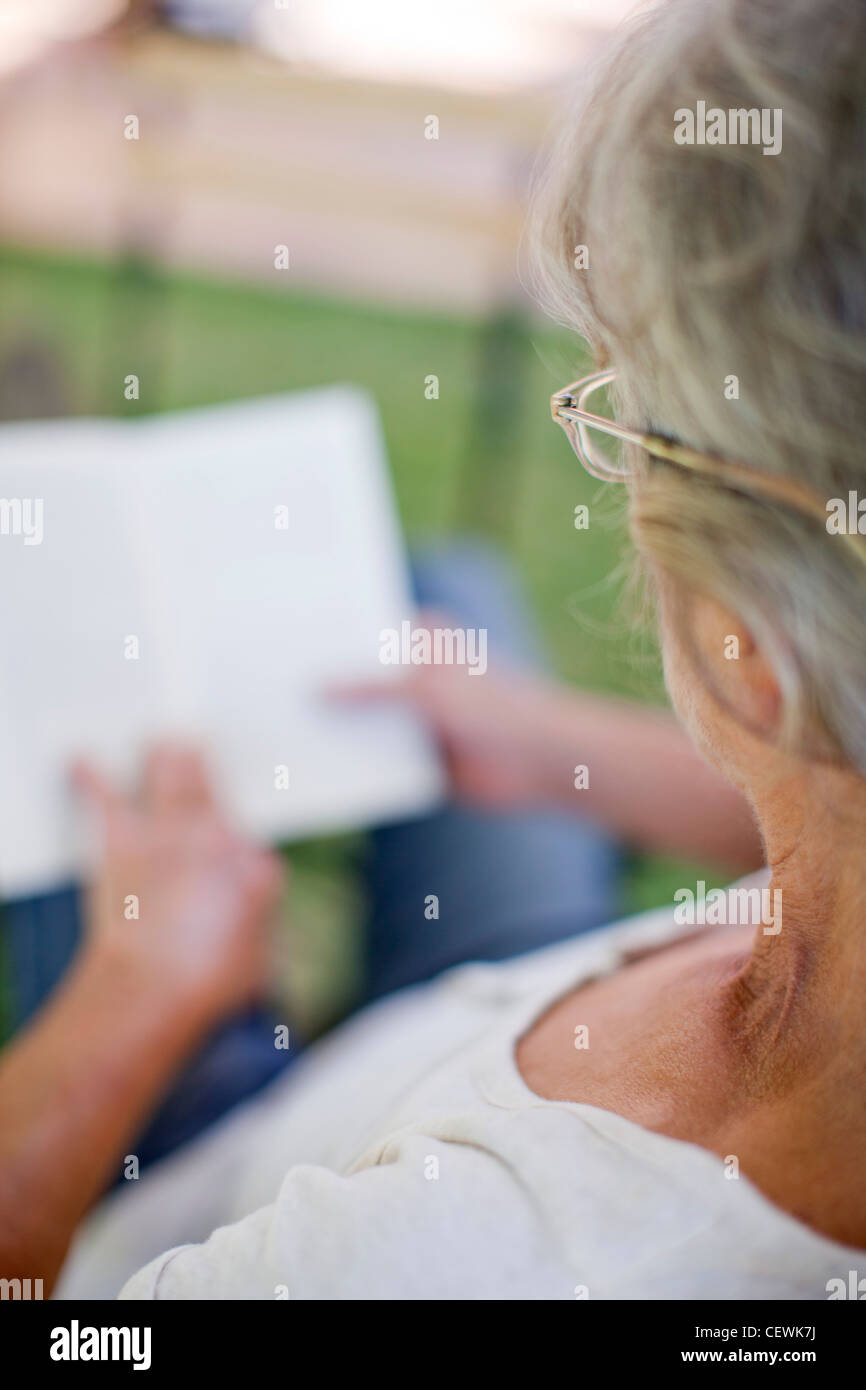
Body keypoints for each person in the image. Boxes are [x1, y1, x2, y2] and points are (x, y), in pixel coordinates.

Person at [1, 0, 864, 1299]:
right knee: (437, 585)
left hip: (197, 1154)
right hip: (482, 1012)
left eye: (619, 426)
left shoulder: (408, 1262)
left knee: (50, 636)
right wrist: (541, 741)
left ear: (754, 653)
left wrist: (133, 999)